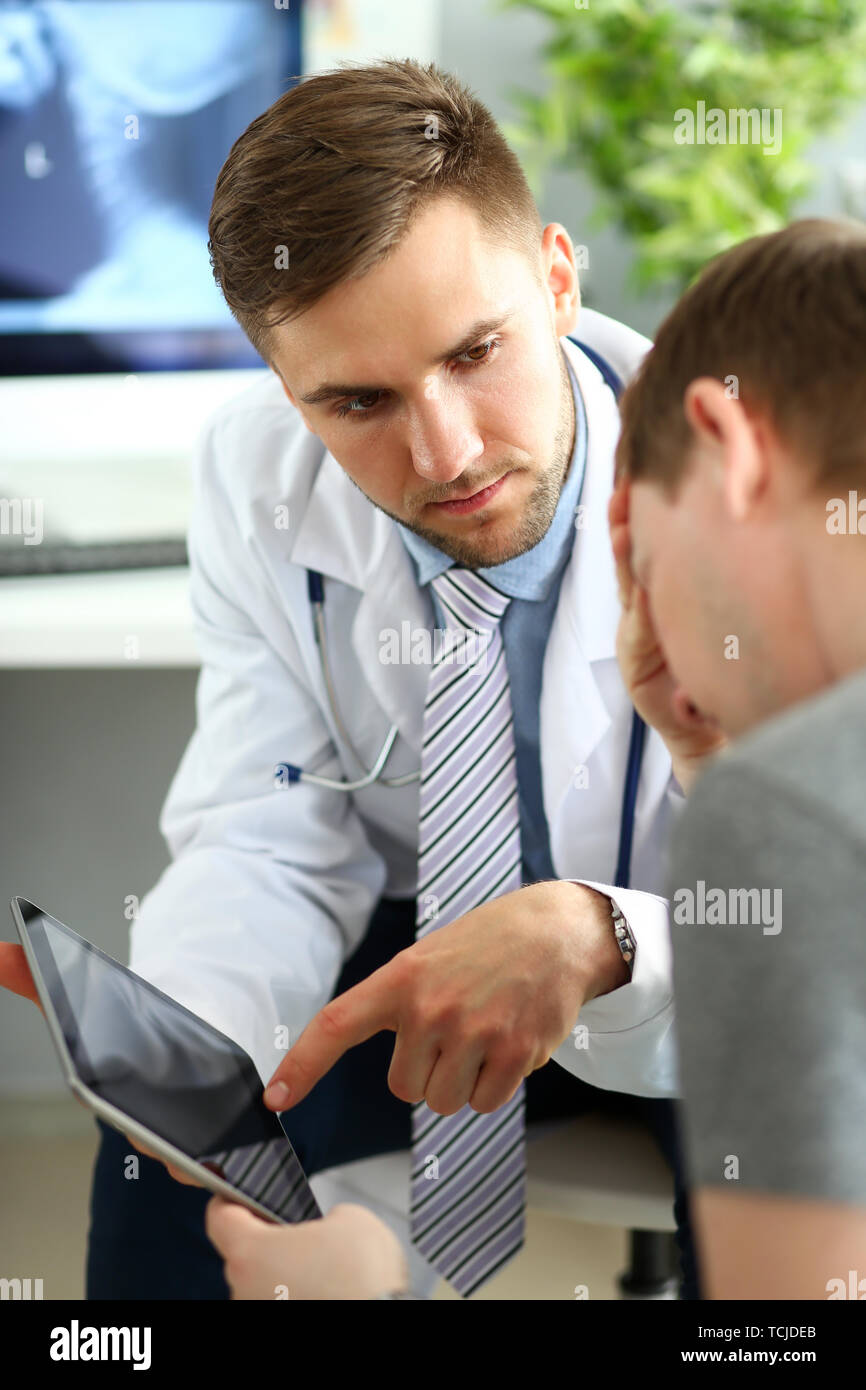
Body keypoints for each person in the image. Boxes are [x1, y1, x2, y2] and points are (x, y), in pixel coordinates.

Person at [0, 57, 715, 1301]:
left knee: (795, 1184)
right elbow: (270, 825)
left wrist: (596, 934)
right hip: (415, 935)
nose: (445, 452)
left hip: (688, 946)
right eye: (357, 400)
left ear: (556, 277)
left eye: (475, 352)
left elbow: (821, 913)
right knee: (172, 1156)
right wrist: (191, 1033)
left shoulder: (730, 488)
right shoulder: (252, 473)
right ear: (287, 391)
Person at [611, 215, 866, 1299]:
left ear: (726, 441)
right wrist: (707, 763)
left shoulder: (779, 820)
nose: (648, 617)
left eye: (640, 555)